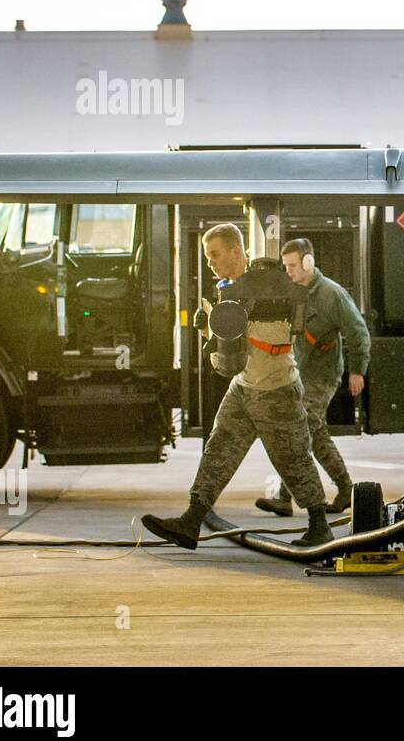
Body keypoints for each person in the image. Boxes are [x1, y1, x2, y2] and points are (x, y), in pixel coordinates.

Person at [141, 223, 333, 549]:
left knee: (293, 458)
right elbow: (230, 350)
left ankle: (319, 525)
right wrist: (209, 329)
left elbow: (282, 332)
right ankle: (192, 519)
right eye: (207, 256)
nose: (210, 262)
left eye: (215, 254)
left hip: (275, 389)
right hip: (244, 385)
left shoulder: (268, 287)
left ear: (235, 251)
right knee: (218, 450)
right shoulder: (229, 289)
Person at [256, 237, 371, 517]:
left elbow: (359, 333)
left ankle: (285, 497)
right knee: (317, 438)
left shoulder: (332, 295)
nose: (289, 272)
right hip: (298, 374)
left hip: (323, 376)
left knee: (299, 430)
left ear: (309, 262)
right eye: (285, 266)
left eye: (293, 265)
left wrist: (357, 371)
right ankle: (346, 491)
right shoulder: (292, 291)